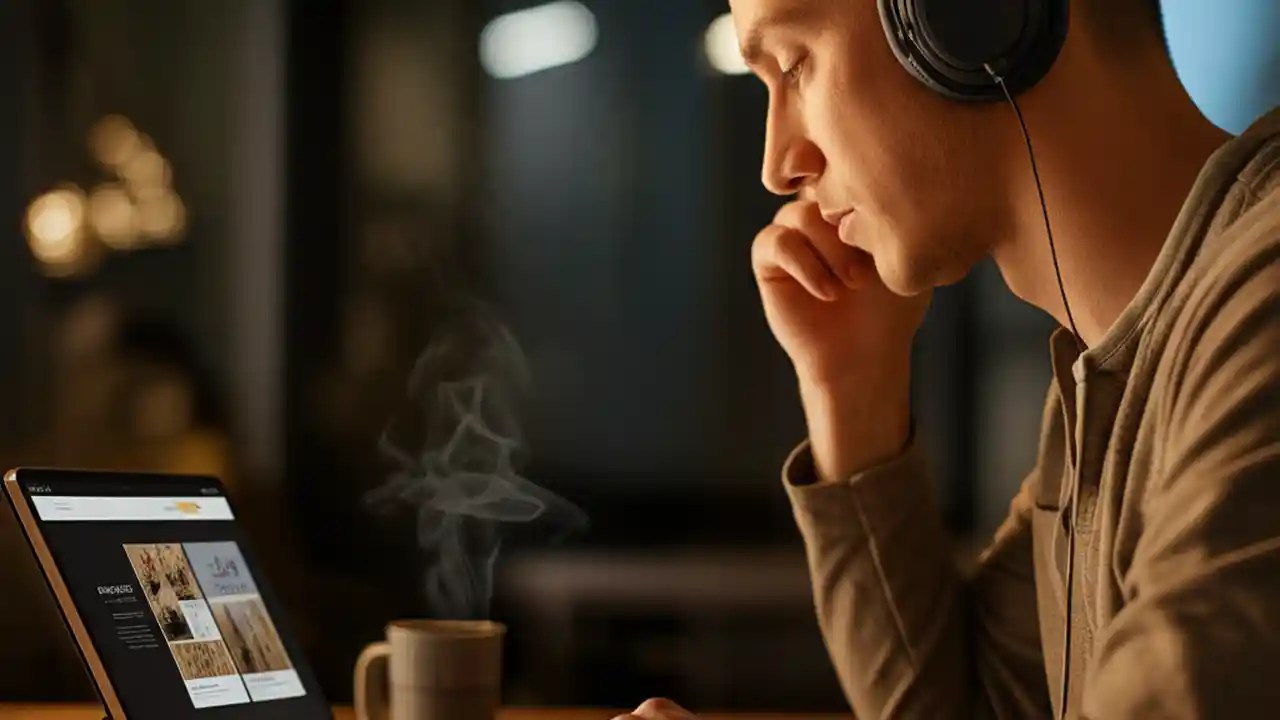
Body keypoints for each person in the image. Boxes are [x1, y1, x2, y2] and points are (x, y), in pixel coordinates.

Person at [614, 0, 1280, 718]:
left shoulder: (1263, 307)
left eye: (795, 63)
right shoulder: (1110, 378)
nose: (779, 164)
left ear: (969, 20)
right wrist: (854, 389)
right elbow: (976, 708)